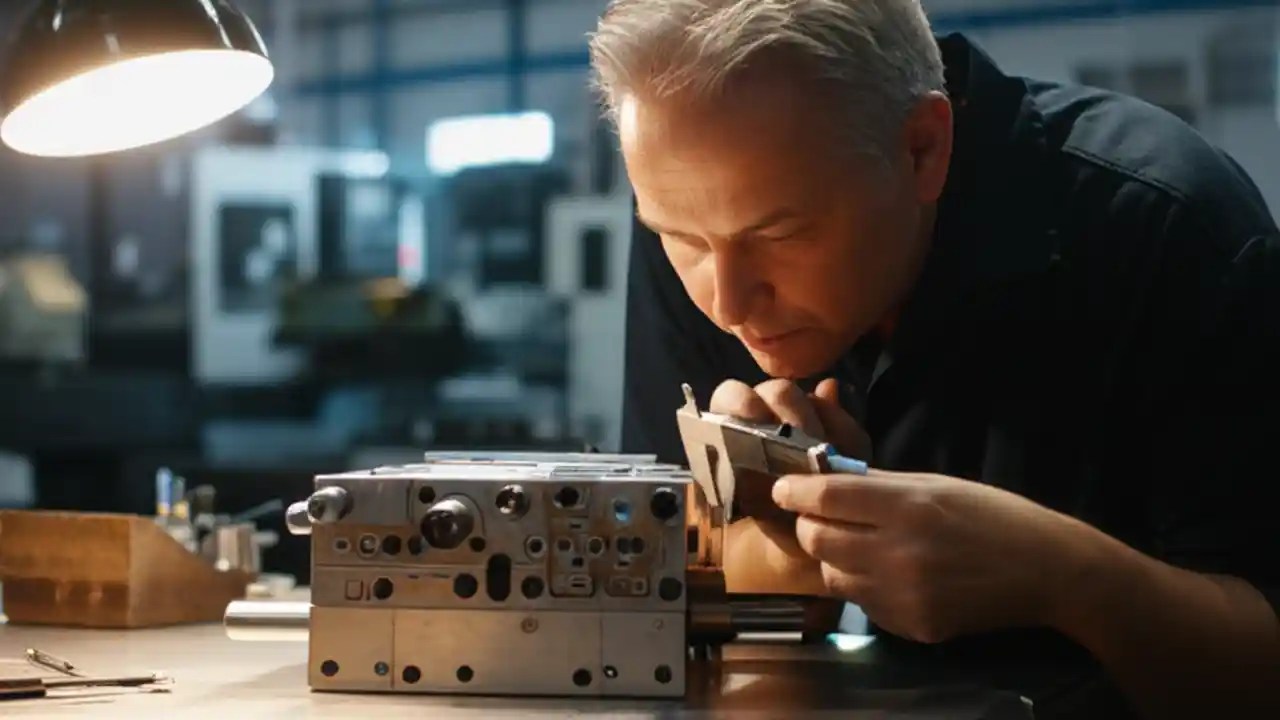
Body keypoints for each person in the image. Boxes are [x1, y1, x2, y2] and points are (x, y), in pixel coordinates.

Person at [587, 1, 1280, 718]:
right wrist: (785, 558)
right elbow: (664, 595)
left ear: (923, 147)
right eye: (684, 240)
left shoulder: (1170, 234)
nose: (727, 303)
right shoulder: (705, 216)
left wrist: (1062, 577)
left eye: (781, 233)